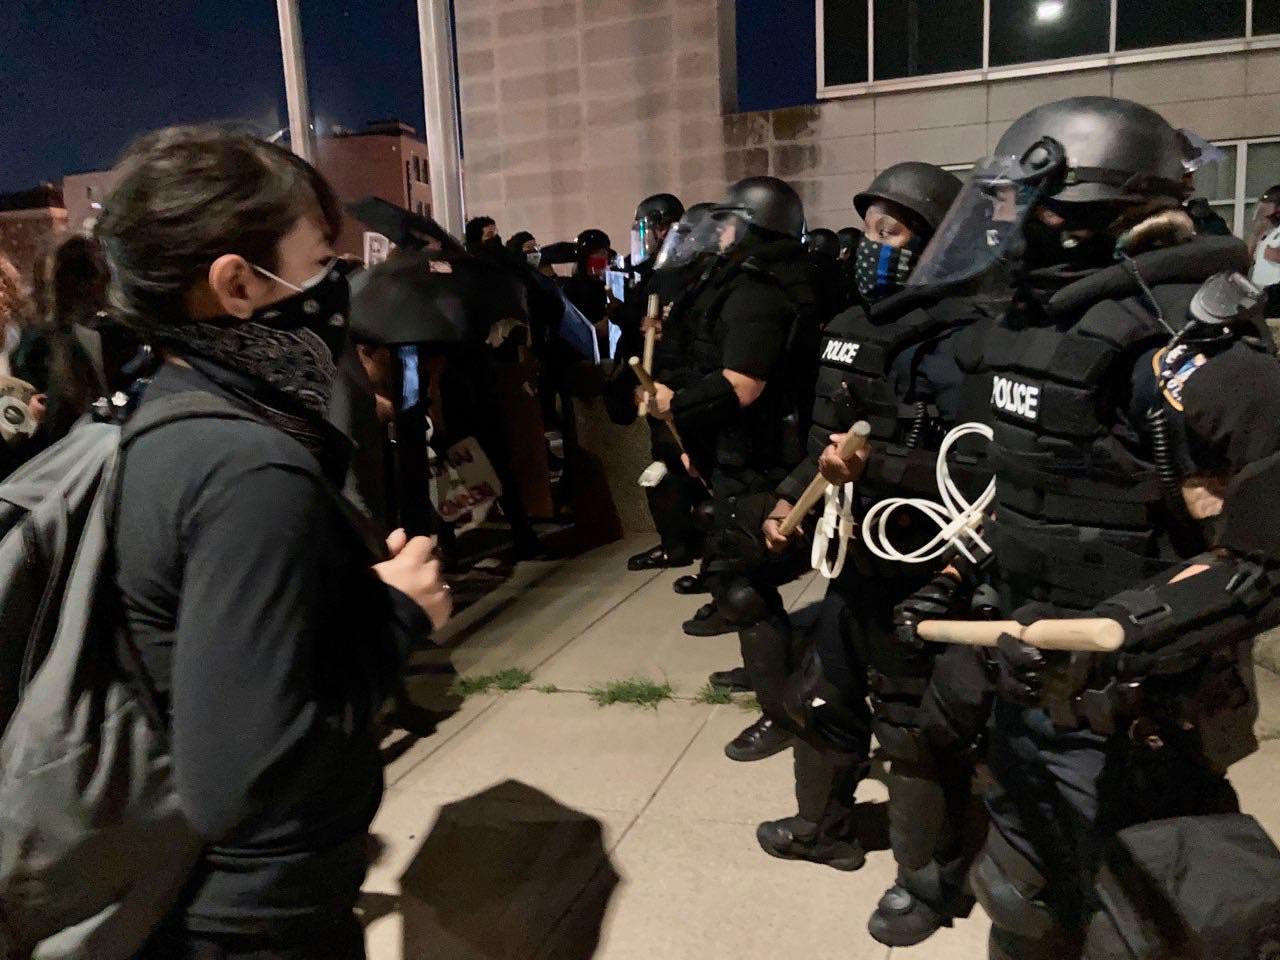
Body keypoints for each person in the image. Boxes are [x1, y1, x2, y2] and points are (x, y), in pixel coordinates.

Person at [54, 125, 452, 960]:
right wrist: (399, 616)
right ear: (237, 285)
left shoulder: (163, 410)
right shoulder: (247, 468)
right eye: (321, 261)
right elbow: (245, 778)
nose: (339, 289)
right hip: (261, 919)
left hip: (195, 897)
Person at [900, 96, 1280, 959]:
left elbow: (1266, 555)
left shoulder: (1194, 352)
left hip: (1139, 721)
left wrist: (1120, 633)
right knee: (1022, 903)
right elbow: (1040, 495)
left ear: (1088, 214)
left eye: (1019, 204)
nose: (1002, 225)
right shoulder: (1040, 327)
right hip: (1025, 690)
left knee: (1143, 929)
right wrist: (959, 581)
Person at [758, 162, 1003, 948]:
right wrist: (788, 499)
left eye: (891, 232)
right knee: (819, 695)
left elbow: (980, 469)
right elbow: (825, 438)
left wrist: (879, 465)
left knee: (912, 730)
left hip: (926, 570)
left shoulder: (975, 337)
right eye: (868, 230)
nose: (873, 246)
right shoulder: (850, 325)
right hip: (853, 561)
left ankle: (925, 879)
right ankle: (821, 828)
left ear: (936, 243)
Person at [645, 176, 817, 758]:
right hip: (740, 452)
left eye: (730, 224)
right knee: (742, 578)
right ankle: (772, 667)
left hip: (763, 457)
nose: (718, 235)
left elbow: (741, 384)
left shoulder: (759, 293)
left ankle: (785, 712)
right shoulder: (738, 285)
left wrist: (676, 407)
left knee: (740, 582)